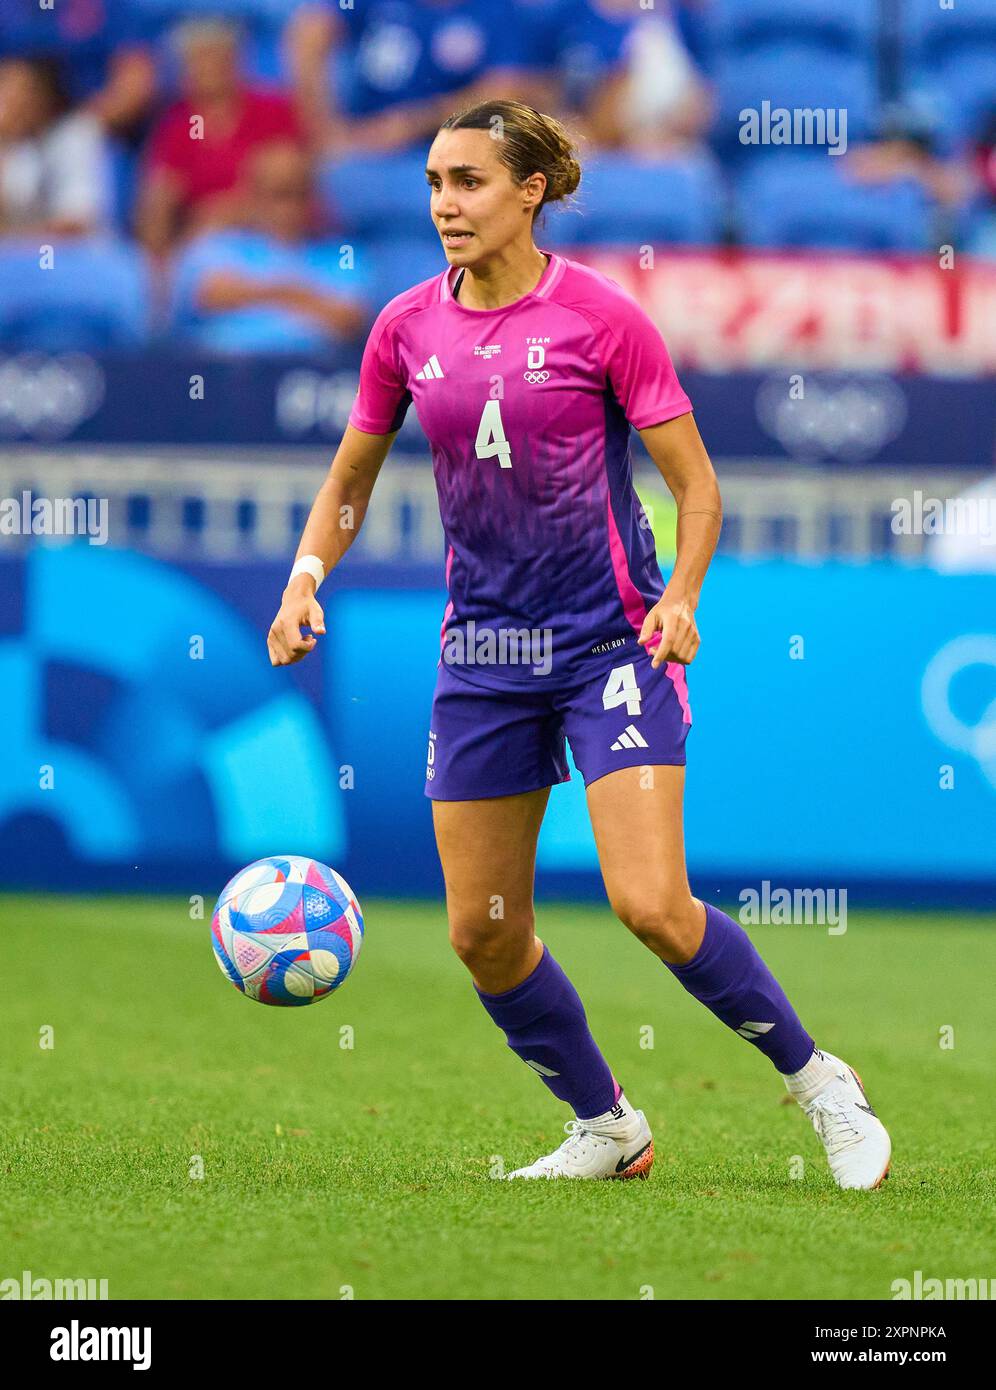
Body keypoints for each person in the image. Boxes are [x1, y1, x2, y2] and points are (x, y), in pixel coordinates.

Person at [266, 100, 892, 1190]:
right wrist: (305, 575)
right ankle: (607, 1124)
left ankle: (820, 1081)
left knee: (650, 902)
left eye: (467, 182)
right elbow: (350, 478)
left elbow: (698, 490)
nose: (444, 205)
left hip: (611, 645)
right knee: (484, 936)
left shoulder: (604, 320)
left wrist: (684, 596)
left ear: (530, 193)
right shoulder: (404, 328)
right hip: (482, 661)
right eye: (432, 182)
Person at [173, 140, 368, 353]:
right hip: (228, 375)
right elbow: (210, 296)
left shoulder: (342, 254)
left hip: (311, 378)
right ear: (252, 195)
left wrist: (256, 294)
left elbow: (350, 319)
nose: (290, 208)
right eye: (279, 194)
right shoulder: (218, 247)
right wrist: (296, 295)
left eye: (300, 193)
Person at [136, 17, 303, 255]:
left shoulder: (272, 111)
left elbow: (291, 178)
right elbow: (161, 196)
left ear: (235, 61)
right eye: (198, 60)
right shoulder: (179, 125)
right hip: (202, 241)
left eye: (215, 57)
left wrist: (229, 212)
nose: (208, 68)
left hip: (271, 232)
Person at [0, 56, 112, 237]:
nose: (7, 103)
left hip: (77, 258)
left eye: (14, 93)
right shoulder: (16, 146)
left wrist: (12, 239)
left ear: (42, 96)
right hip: (25, 257)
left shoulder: (77, 133)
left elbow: (74, 224)